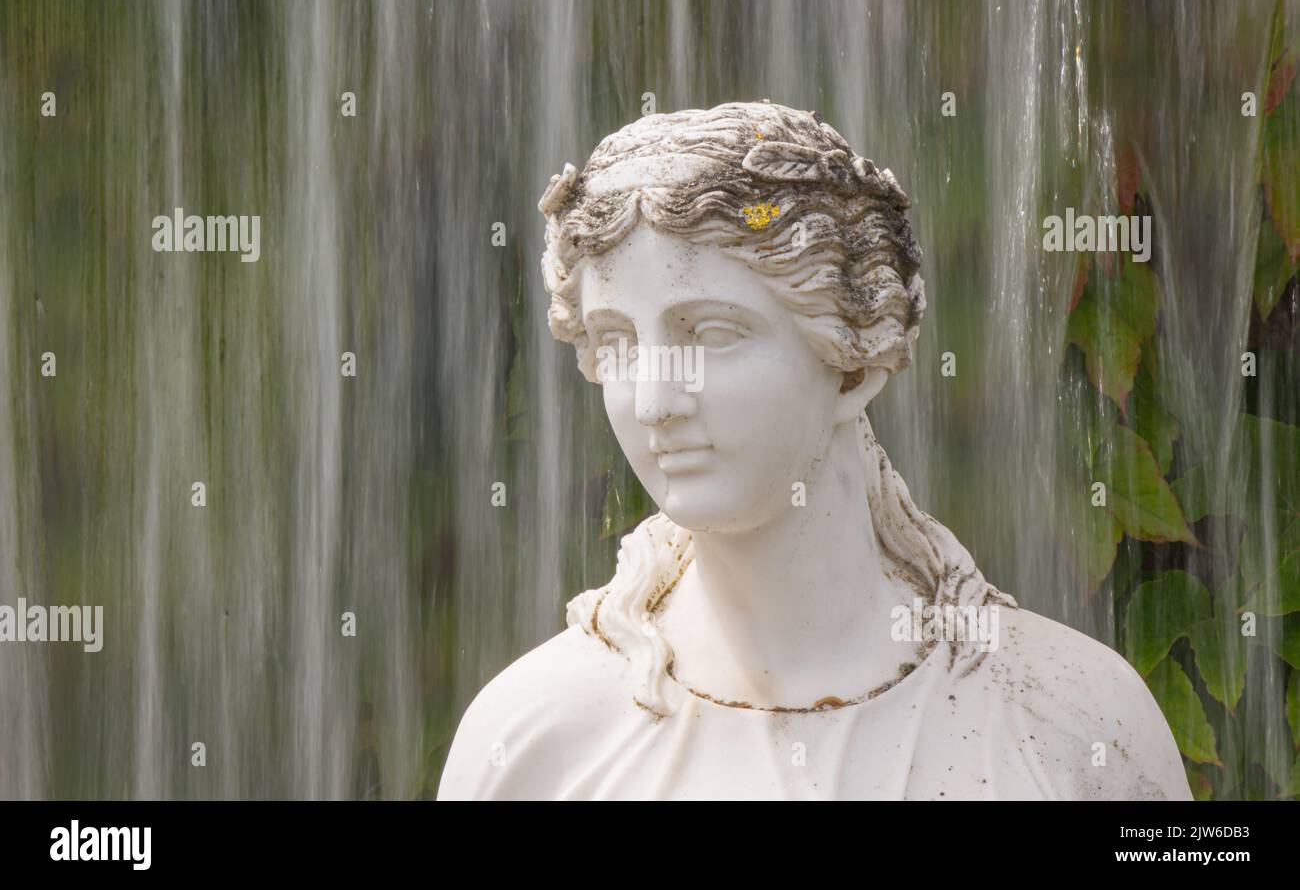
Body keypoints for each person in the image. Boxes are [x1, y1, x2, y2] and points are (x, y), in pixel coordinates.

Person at [437, 101, 1191, 800]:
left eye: (711, 335)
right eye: (617, 345)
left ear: (855, 366)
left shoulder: (1073, 723)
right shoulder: (535, 740)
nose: (656, 401)